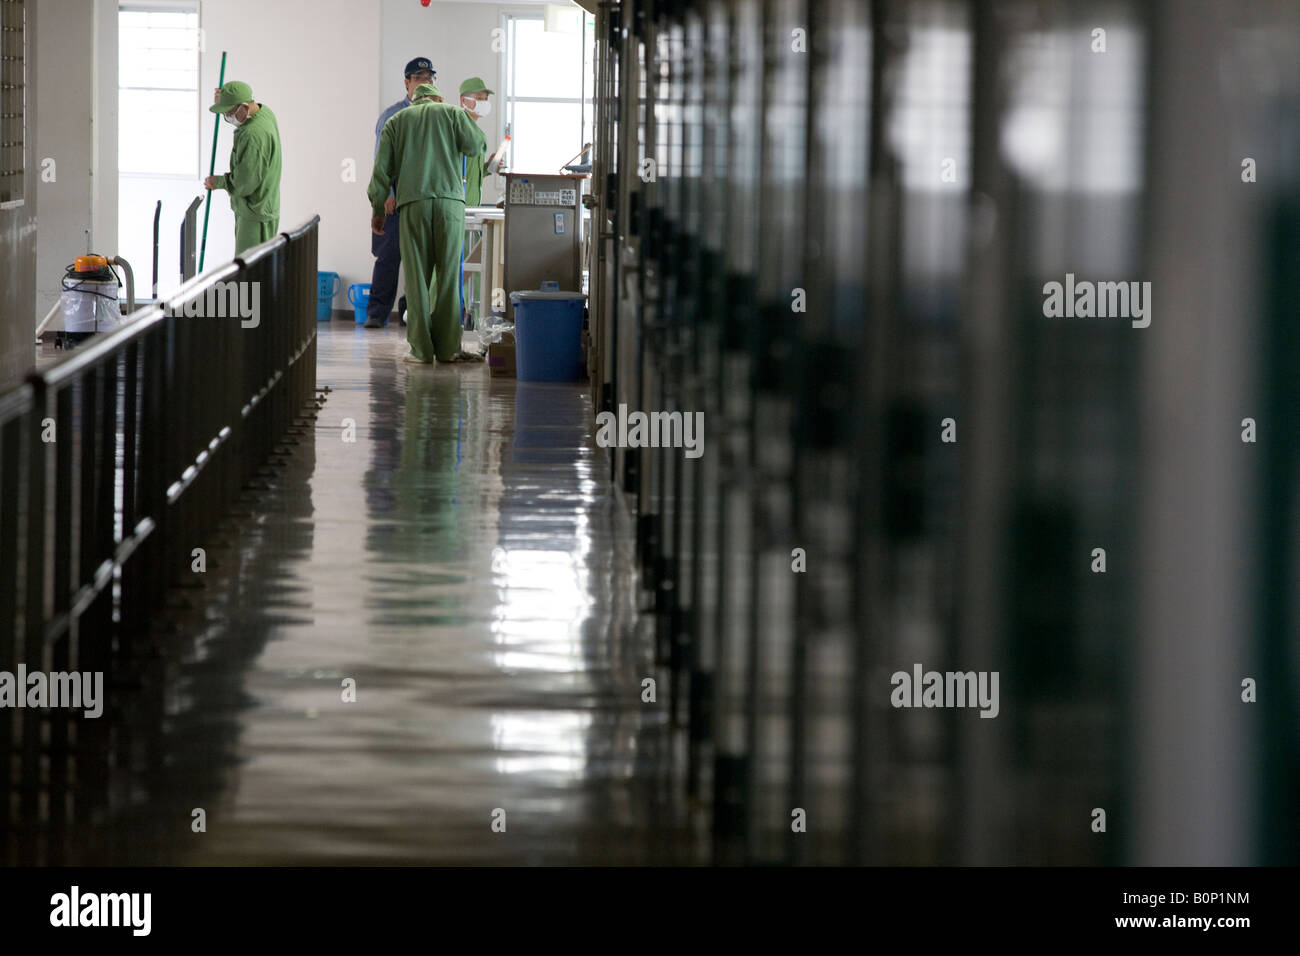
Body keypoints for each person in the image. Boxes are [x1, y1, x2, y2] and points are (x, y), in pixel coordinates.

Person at [367, 84, 484, 365]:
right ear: (438, 98)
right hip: (449, 205)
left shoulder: (397, 121)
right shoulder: (453, 114)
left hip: (413, 205)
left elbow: (381, 170)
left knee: (417, 277)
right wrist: (467, 118)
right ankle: (447, 349)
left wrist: (377, 207)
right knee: (448, 277)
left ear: (414, 99)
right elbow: (475, 146)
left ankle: (421, 349)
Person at [363, 57, 438, 329]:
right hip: (395, 200)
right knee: (389, 256)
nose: (425, 83)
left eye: (429, 78)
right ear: (407, 82)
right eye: (419, 78)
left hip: (422, 198)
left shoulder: (436, 114)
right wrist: (387, 193)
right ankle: (377, 312)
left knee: (420, 258)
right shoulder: (392, 116)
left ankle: (410, 313)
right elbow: (381, 160)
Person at [204, 81, 281, 254]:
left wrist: (219, 182)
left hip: (254, 214)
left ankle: (248, 284)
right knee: (259, 270)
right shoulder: (264, 112)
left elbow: (244, 183)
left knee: (250, 273)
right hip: (264, 205)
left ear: (244, 107)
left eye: (229, 113)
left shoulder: (253, 135)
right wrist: (224, 100)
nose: (227, 118)